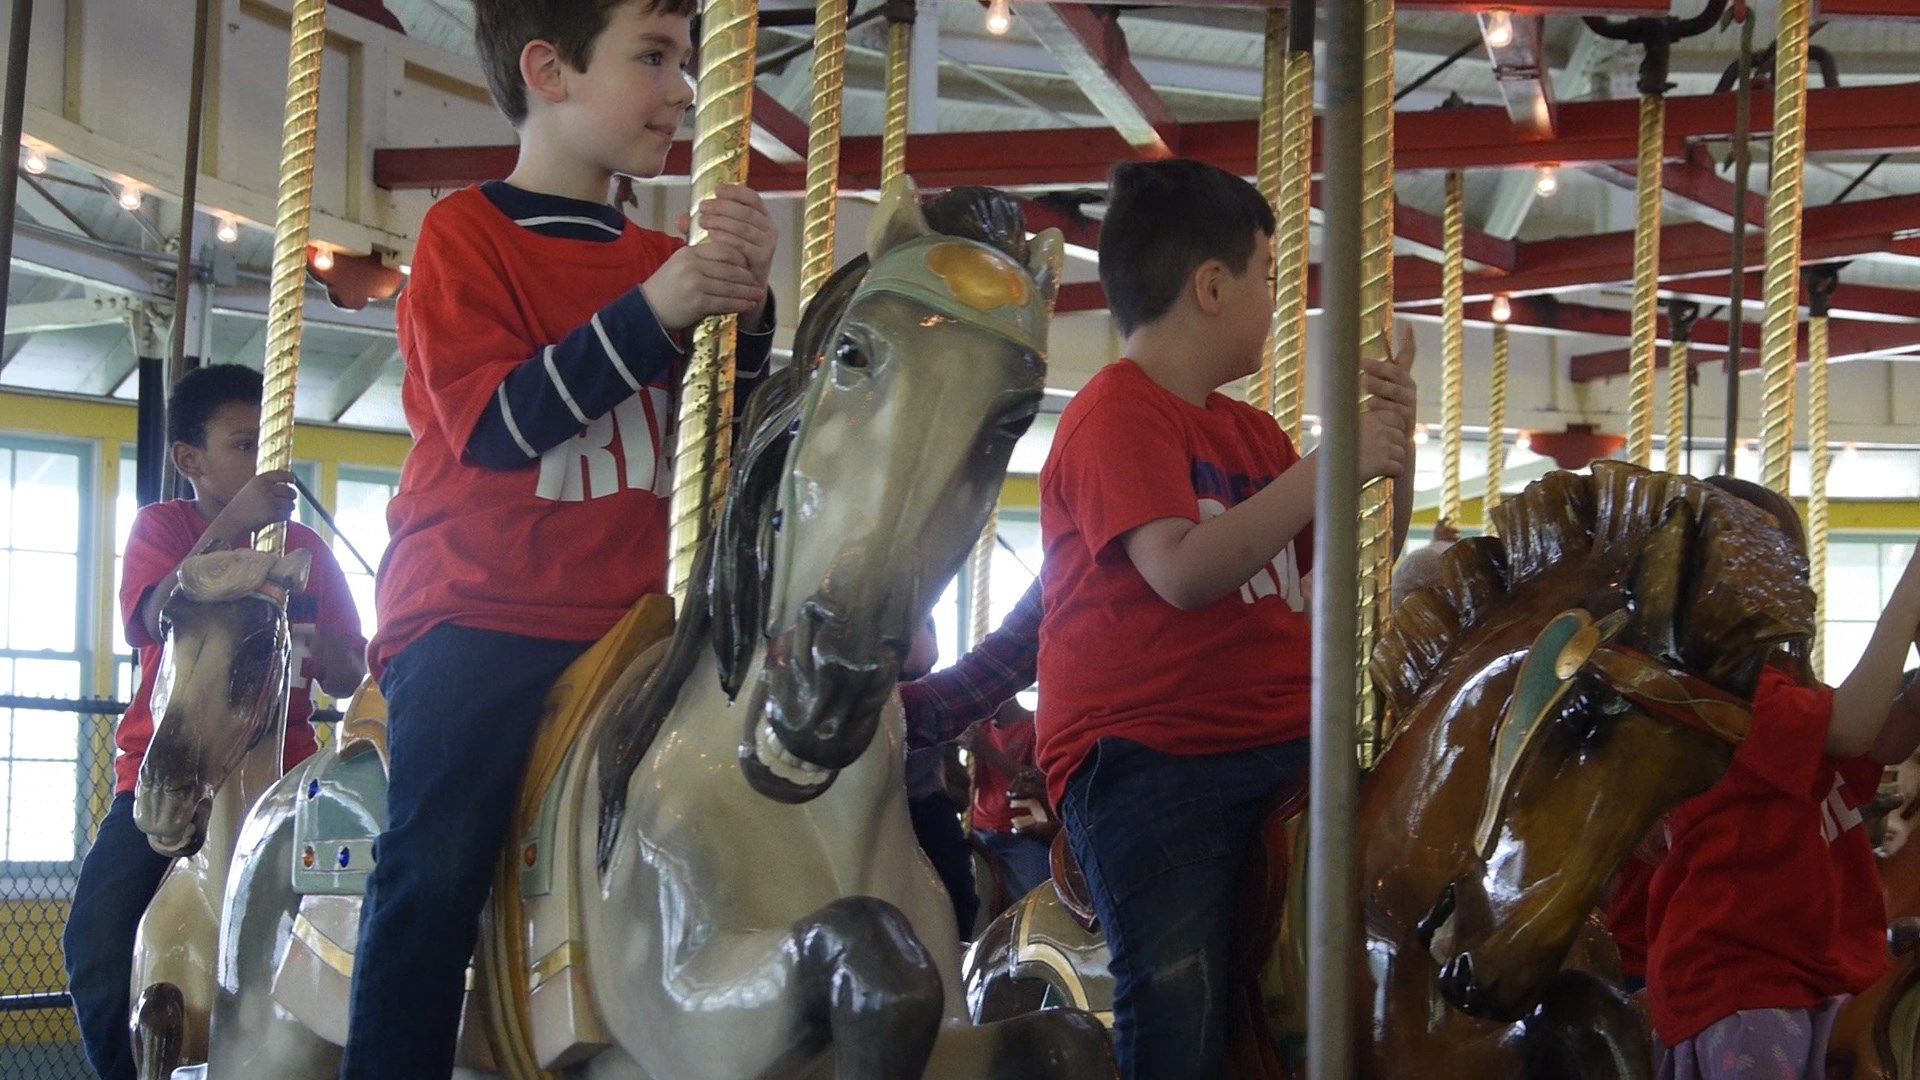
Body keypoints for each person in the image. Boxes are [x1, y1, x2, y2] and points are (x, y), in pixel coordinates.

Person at [342, 0, 778, 1073]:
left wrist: (753, 321)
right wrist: (654, 311)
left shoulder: (668, 254)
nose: (684, 89)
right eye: (654, 58)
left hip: (644, 618)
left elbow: (727, 447)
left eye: (686, 61)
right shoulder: (465, 235)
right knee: (435, 862)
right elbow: (494, 428)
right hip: (485, 608)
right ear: (551, 69)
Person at [1036, 158, 1417, 1078]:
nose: (1278, 302)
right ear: (1212, 287)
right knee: (1177, 989)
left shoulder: (1255, 436)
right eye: (1271, 278)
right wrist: (1332, 463)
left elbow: (1363, 569)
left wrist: (1392, 458)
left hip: (1290, 744)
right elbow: (1180, 571)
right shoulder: (1114, 415)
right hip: (1152, 758)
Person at [63, 364, 365, 1080]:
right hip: (174, 778)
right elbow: (150, 613)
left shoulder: (310, 555)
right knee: (97, 947)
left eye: (270, 445)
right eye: (242, 444)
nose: (264, 462)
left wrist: (329, 652)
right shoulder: (164, 529)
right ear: (190, 461)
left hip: (287, 785)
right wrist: (236, 524)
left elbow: (351, 675)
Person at [1645, 482, 1920, 1080]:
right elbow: (1852, 731)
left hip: (1830, 961)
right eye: (1759, 556)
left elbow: (1883, 741)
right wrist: (1909, 592)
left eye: (1789, 557)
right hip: (1741, 975)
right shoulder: (1721, 695)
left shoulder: (1791, 688)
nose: (1787, 576)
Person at [901, 620, 979, 936]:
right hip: (876, 804)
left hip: (924, 802)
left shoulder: (925, 684)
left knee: (958, 896)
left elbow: (920, 657)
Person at [962, 699, 1053, 900]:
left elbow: (1039, 780)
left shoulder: (1036, 726)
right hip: (979, 831)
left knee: (1044, 899)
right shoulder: (981, 730)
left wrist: (987, 752)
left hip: (1021, 833)